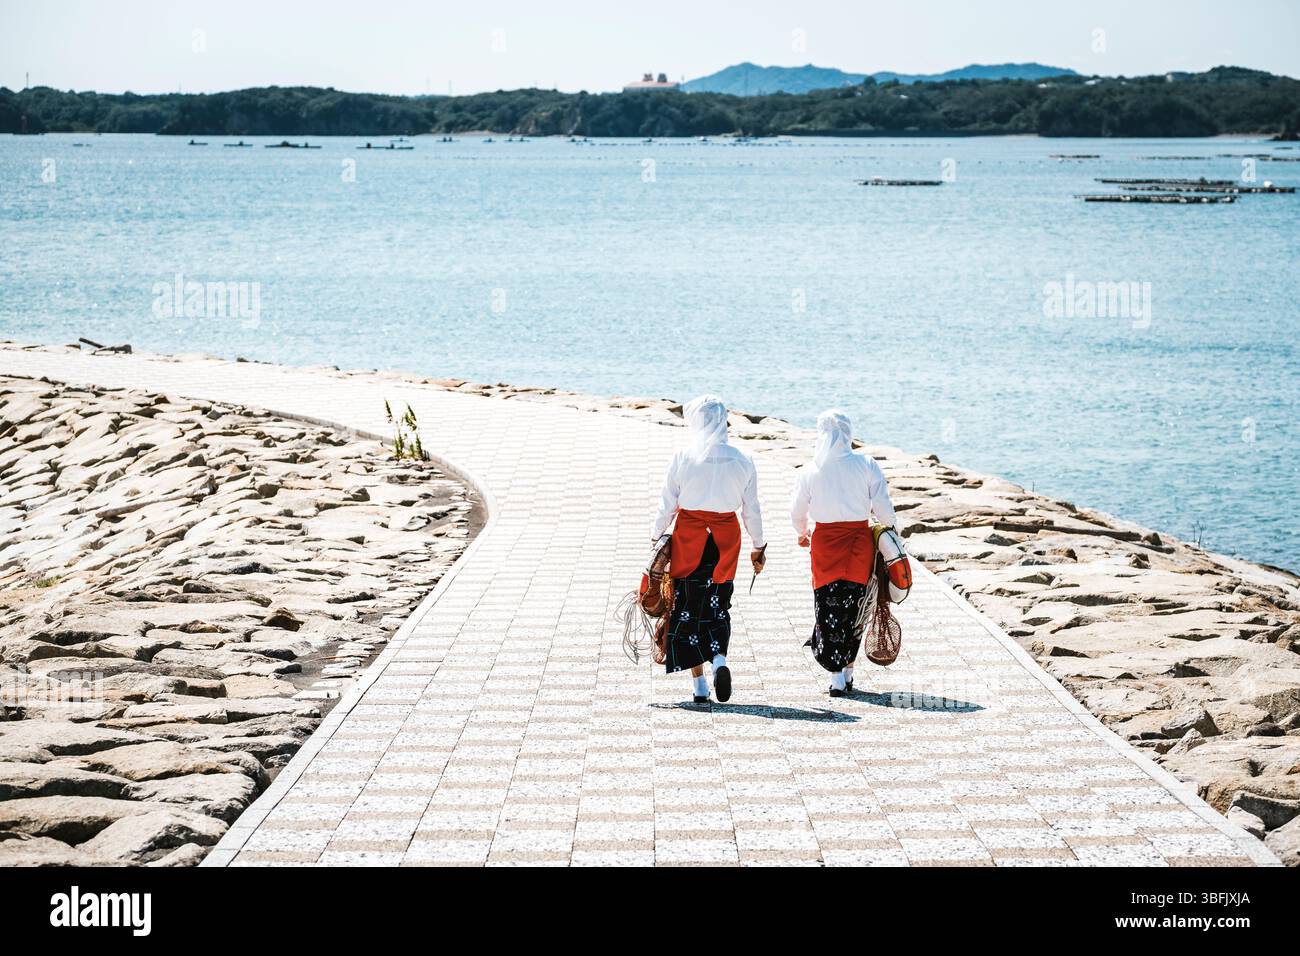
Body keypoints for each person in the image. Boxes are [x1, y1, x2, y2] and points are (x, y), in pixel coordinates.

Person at [651, 395, 766, 703]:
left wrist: (656, 535)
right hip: (725, 540)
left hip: (690, 539)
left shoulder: (683, 457)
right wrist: (758, 546)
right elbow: (751, 510)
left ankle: (700, 685)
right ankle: (719, 661)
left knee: (687, 608)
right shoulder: (743, 459)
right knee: (718, 603)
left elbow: (667, 503)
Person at [790, 410, 899, 697]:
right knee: (856, 608)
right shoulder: (866, 464)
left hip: (825, 545)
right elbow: (884, 508)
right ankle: (848, 671)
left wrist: (802, 533)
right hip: (859, 544)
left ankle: (837, 676)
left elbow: (797, 512)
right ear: (849, 433)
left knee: (827, 609)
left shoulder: (810, 470)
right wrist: (892, 533)